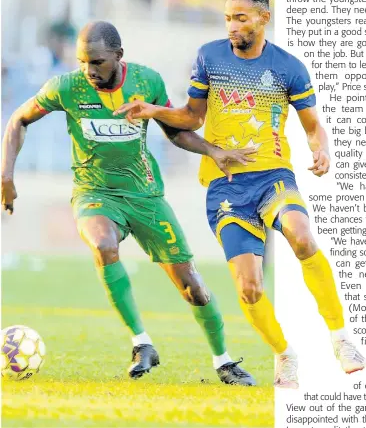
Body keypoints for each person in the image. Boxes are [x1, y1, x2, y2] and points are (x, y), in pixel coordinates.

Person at [113, 0, 365, 388]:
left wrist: (321, 150)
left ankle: (341, 338)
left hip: (273, 176)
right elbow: (192, 117)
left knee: (302, 238)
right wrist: (154, 110)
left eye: (241, 17)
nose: (232, 25)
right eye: (228, 17)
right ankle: (284, 354)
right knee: (249, 289)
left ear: (264, 18)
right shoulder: (209, 56)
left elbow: (313, 126)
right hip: (227, 186)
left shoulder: (288, 67)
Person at [1, 21, 258, 385]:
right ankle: (142, 343)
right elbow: (18, 120)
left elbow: (176, 130)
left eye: (98, 62)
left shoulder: (147, 82)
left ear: (119, 56)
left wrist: (213, 151)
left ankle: (224, 361)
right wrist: (7, 175)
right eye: (83, 61)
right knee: (103, 244)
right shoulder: (67, 87)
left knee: (193, 287)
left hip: (146, 197)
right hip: (95, 193)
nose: (89, 70)